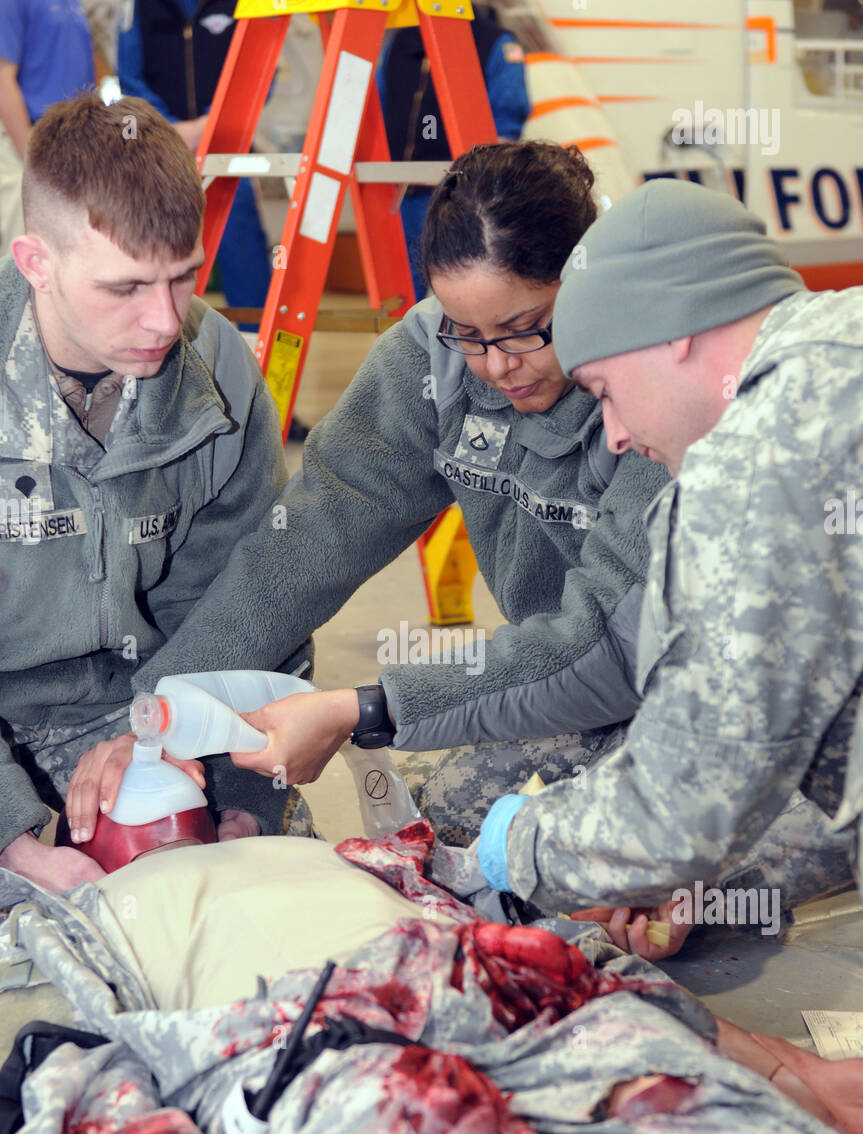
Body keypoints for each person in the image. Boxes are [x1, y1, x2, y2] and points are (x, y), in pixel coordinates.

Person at [67, 141, 855, 932]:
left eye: (523, 331)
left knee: (645, 870)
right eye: (464, 333)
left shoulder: (719, 423)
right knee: (459, 819)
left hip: (678, 680)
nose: (492, 367)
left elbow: (616, 662)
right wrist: (158, 707)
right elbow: (299, 547)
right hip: (610, 686)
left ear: (600, 299)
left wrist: (373, 715)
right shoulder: (438, 364)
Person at [3, 820, 863, 1134]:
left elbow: (564, 944)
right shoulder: (73, 918)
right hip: (325, 1062)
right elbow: (59, 1069)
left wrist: (774, 1067)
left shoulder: (377, 849)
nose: (178, 809)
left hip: (540, 1019)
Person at [472, 177, 863, 957]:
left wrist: (522, 844)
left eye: (604, 390)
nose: (613, 433)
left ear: (670, 332)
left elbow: (685, 803)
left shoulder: (753, 457)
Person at [0, 93, 314, 897]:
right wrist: (12, 844)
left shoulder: (218, 371)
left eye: (183, 277)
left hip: (146, 711)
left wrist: (236, 791)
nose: (165, 320)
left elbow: (249, 599)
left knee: (265, 902)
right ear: (36, 262)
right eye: (126, 287)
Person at [117, 0, 272, 322]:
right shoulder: (137, 7)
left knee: (242, 251)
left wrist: (208, 127)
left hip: (228, 147)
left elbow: (260, 73)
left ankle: (254, 344)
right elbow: (130, 79)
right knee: (158, 253)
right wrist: (170, 130)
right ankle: (161, 334)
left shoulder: (241, 4)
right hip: (159, 151)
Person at [378, 4, 530, 298]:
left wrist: (482, 193)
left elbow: (507, 125)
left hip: (459, 198)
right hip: (397, 195)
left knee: (455, 293)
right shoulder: (399, 42)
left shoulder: (496, 43)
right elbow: (377, 107)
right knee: (400, 295)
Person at [0, 0, 94, 253]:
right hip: (24, 145)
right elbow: (2, 77)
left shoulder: (73, 5)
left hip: (69, 147)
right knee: (25, 257)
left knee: (66, 254)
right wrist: (32, 155)